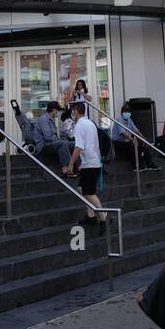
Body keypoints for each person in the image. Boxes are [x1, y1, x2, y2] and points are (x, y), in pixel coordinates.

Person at [64, 101, 107, 236]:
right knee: (81, 189)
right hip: (92, 162)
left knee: (89, 193)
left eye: (72, 111)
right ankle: (90, 216)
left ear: (76, 112)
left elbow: (79, 147)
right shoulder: (90, 123)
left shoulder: (79, 125)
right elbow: (92, 144)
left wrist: (71, 163)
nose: (72, 114)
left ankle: (104, 218)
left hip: (91, 163)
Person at [109, 102, 158, 169]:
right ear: (122, 112)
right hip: (117, 142)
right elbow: (123, 133)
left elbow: (136, 130)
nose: (127, 113)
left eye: (128, 111)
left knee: (143, 143)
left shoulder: (129, 120)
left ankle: (149, 163)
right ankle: (137, 166)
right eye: (125, 111)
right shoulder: (118, 120)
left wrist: (143, 139)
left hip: (126, 140)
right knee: (133, 144)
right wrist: (132, 140)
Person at [32, 100, 73, 171]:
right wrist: (58, 140)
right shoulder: (44, 119)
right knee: (62, 143)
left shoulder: (50, 119)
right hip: (43, 146)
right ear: (54, 110)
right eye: (57, 110)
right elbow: (48, 137)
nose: (58, 112)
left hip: (51, 143)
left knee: (73, 144)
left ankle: (79, 166)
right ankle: (67, 168)